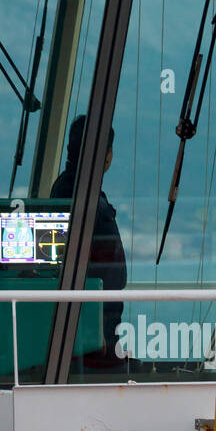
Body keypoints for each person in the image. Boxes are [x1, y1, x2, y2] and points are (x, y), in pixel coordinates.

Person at [50, 114, 127, 356]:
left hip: (79, 328)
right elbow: (114, 276)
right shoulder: (91, 202)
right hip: (94, 334)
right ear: (107, 155)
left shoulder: (61, 187)